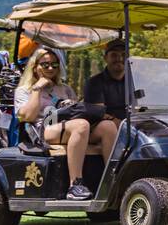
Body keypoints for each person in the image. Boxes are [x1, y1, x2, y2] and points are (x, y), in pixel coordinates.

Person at [15, 47, 117, 201]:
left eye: (55, 65)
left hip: (67, 124)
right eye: (45, 64)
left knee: (108, 126)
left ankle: (112, 180)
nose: (50, 68)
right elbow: (28, 116)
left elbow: (75, 111)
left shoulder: (64, 89)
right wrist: (37, 88)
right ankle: (75, 185)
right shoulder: (25, 90)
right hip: (43, 127)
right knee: (81, 125)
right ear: (35, 67)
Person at [85, 38, 129, 123]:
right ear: (105, 58)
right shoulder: (94, 83)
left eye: (124, 54)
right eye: (114, 55)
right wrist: (125, 128)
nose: (119, 59)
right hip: (109, 129)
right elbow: (99, 114)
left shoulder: (134, 82)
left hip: (134, 129)